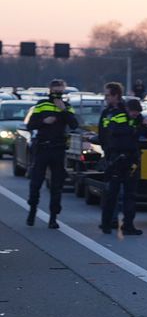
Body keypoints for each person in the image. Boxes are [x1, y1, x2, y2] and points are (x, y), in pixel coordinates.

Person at [98, 85, 147, 235]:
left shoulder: (134, 113)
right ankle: (107, 223)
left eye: (108, 95)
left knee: (130, 195)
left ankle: (128, 225)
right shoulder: (113, 114)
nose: (106, 98)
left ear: (116, 95)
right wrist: (107, 153)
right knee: (111, 194)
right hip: (115, 158)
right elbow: (111, 133)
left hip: (131, 160)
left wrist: (144, 126)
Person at [24, 79, 78, 229]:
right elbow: (30, 125)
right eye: (56, 91)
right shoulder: (41, 105)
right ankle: (32, 210)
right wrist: (44, 121)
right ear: (50, 90)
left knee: (57, 185)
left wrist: (64, 111)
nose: (58, 94)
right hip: (42, 148)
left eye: (61, 91)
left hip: (58, 149)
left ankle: (53, 218)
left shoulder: (67, 107)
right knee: (36, 183)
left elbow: (74, 125)